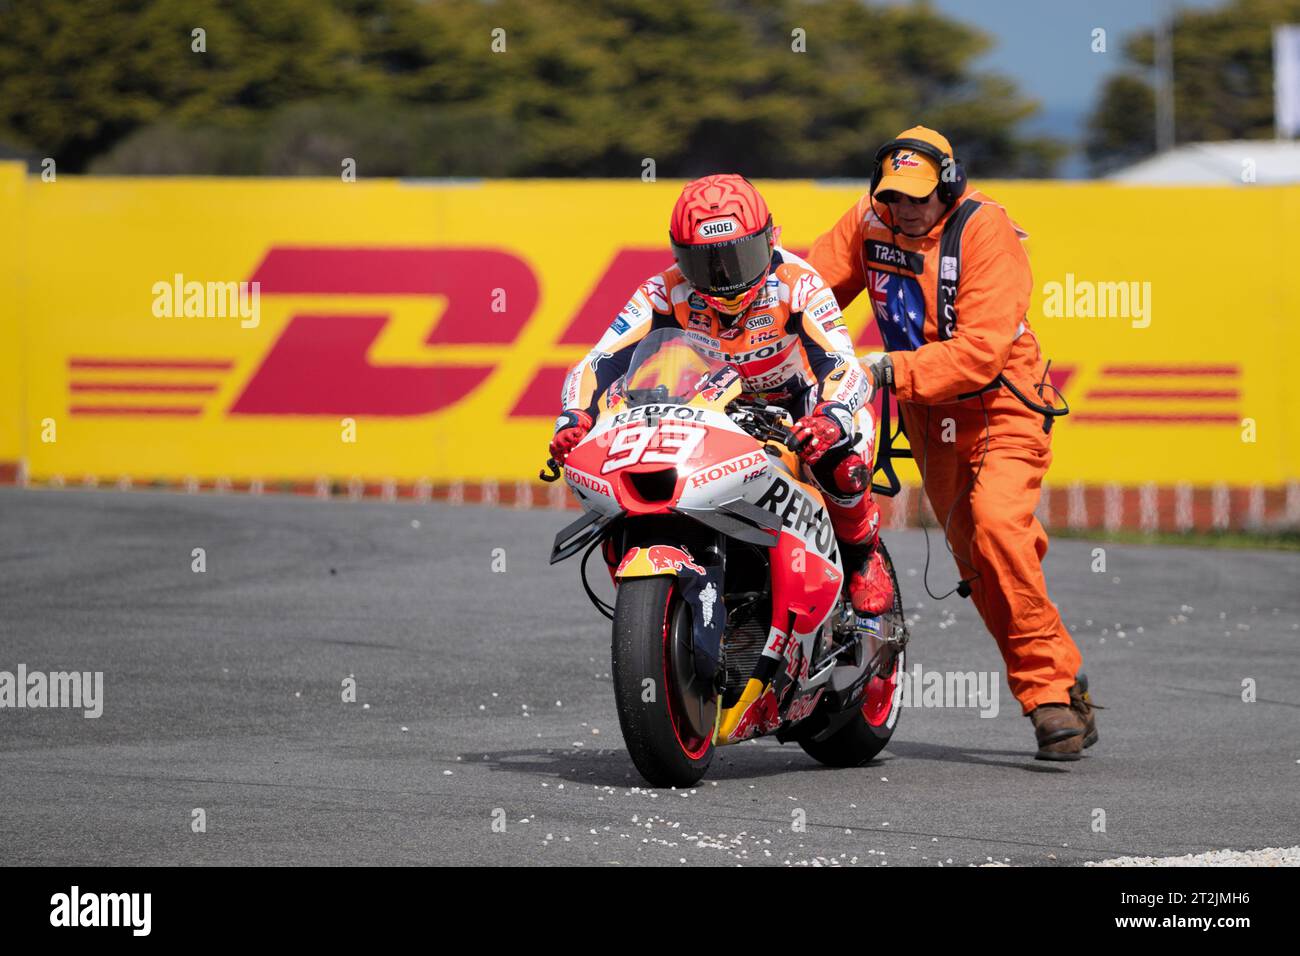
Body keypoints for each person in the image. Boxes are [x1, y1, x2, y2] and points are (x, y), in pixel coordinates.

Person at [806, 126, 1099, 760]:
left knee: (997, 529)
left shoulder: (982, 230)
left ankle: (1047, 695)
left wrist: (884, 370)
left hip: (1002, 404)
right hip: (927, 415)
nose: (906, 210)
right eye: (894, 196)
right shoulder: (870, 220)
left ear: (948, 184)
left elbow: (979, 354)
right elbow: (805, 295)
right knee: (984, 560)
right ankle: (1059, 671)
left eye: (918, 197)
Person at [549, 173, 893, 626]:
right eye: (704, 263)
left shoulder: (799, 283)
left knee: (841, 462)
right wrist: (575, 414)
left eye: (738, 257)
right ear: (677, 256)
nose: (723, 278)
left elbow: (841, 363)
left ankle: (862, 554)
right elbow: (600, 360)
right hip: (714, 405)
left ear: (771, 238)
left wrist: (831, 415)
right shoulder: (664, 289)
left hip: (801, 406)